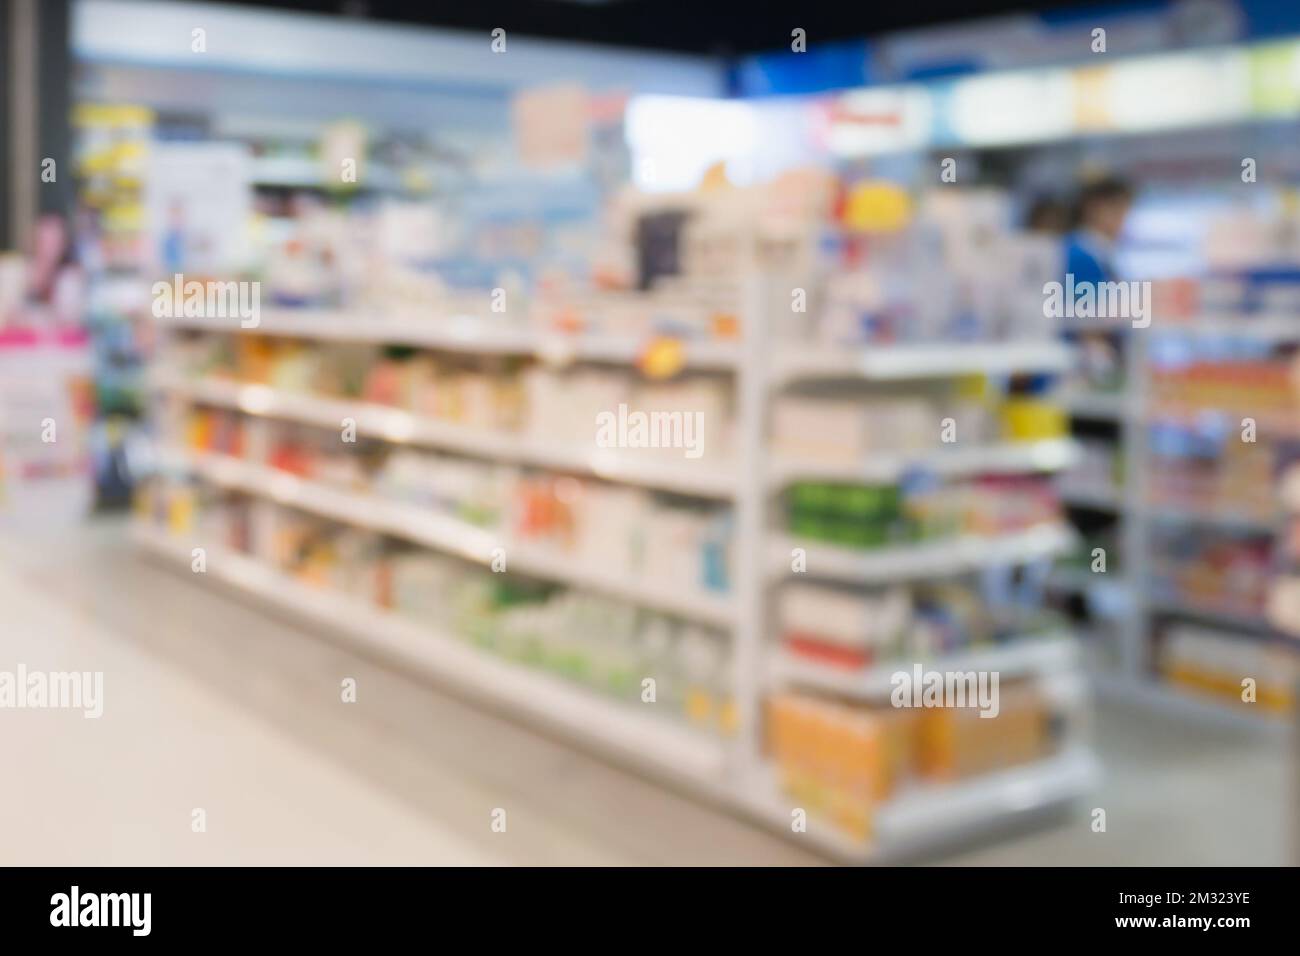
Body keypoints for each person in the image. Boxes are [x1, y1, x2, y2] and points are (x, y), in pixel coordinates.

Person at [1064, 176, 1134, 285]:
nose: (1122, 218)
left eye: (1125, 210)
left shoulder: (1100, 250)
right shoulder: (1079, 254)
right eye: (1115, 209)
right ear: (1092, 209)